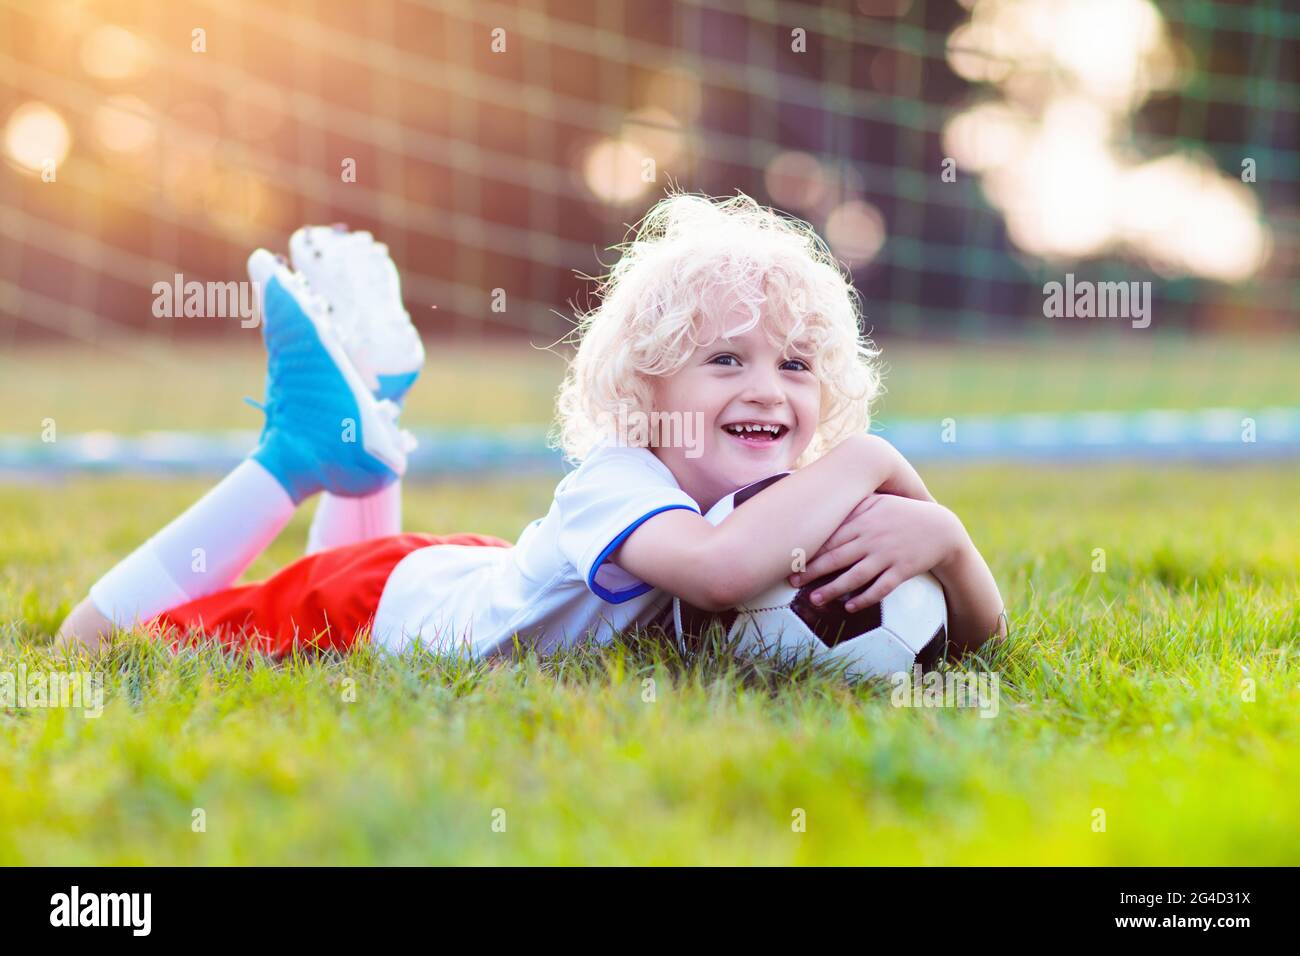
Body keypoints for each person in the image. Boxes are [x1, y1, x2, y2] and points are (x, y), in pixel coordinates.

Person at [57, 193, 1006, 662]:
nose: (768, 390)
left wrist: (949, 545)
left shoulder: (784, 505)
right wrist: (880, 460)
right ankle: (298, 453)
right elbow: (723, 574)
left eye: (796, 366)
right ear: (646, 391)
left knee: (367, 554)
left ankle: (368, 433)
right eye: (726, 360)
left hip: (479, 574)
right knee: (96, 643)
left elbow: (974, 642)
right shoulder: (618, 480)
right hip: (376, 606)